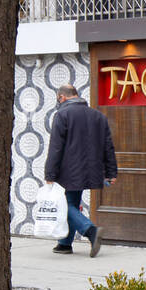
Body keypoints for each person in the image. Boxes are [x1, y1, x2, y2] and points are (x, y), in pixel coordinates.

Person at [44, 83, 117, 256]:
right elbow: (108, 146)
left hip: (67, 171)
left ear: (62, 97)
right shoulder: (98, 116)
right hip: (90, 170)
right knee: (72, 204)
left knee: (64, 205)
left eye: (58, 100)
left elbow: (56, 147)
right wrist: (111, 172)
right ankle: (64, 243)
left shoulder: (62, 114)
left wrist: (50, 173)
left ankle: (90, 230)